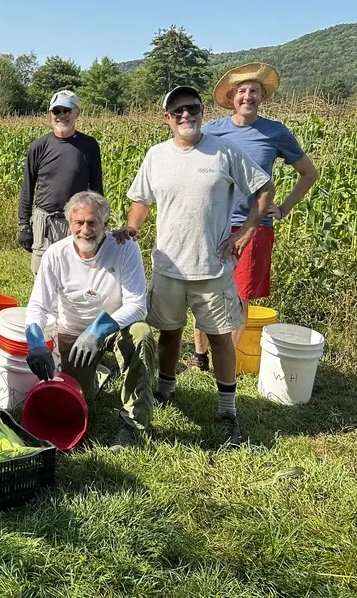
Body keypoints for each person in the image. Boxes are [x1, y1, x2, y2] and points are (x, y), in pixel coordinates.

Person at [116, 86, 275, 448]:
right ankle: (166, 391)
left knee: (220, 339)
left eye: (192, 108)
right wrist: (133, 227)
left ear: (202, 111)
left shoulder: (224, 150)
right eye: (178, 111)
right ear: (167, 118)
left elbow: (264, 188)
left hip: (212, 267)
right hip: (168, 265)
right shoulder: (156, 155)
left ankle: (227, 412)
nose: (185, 115)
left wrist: (248, 231)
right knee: (169, 333)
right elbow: (141, 200)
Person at [190, 63, 319, 370]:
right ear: (231, 97)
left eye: (254, 91)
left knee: (238, 297)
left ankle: (225, 362)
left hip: (254, 226)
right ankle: (199, 357)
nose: (247, 96)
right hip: (213, 223)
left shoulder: (275, 132)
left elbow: (309, 174)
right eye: (242, 91)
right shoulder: (212, 131)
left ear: (263, 96)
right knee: (203, 291)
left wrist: (283, 208)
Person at [24, 191, 155, 451]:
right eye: (79, 223)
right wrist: (35, 342)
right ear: (69, 224)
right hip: (72, 332)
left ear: (105, 224)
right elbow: (38, 305)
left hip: (115, 327)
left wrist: (97, 331)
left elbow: (137, 305)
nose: (85, 230)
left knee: (141, 334)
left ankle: (133, 423)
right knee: (76, 399)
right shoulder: (55, 254)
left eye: (92, 223)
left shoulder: (124, 248)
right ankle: (101, 373)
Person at [18, 89, 103, 275]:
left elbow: (97, 189)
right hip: (45, 222)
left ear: (77, 113)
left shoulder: (89, 145)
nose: (61, 115)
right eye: (56, 111)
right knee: (42, 275)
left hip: (77, 223)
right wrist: (24, 224)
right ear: (50, 114)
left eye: (67, 110)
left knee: (76, 275)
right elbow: (27, 188)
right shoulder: (39, 146)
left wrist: (100, 223)